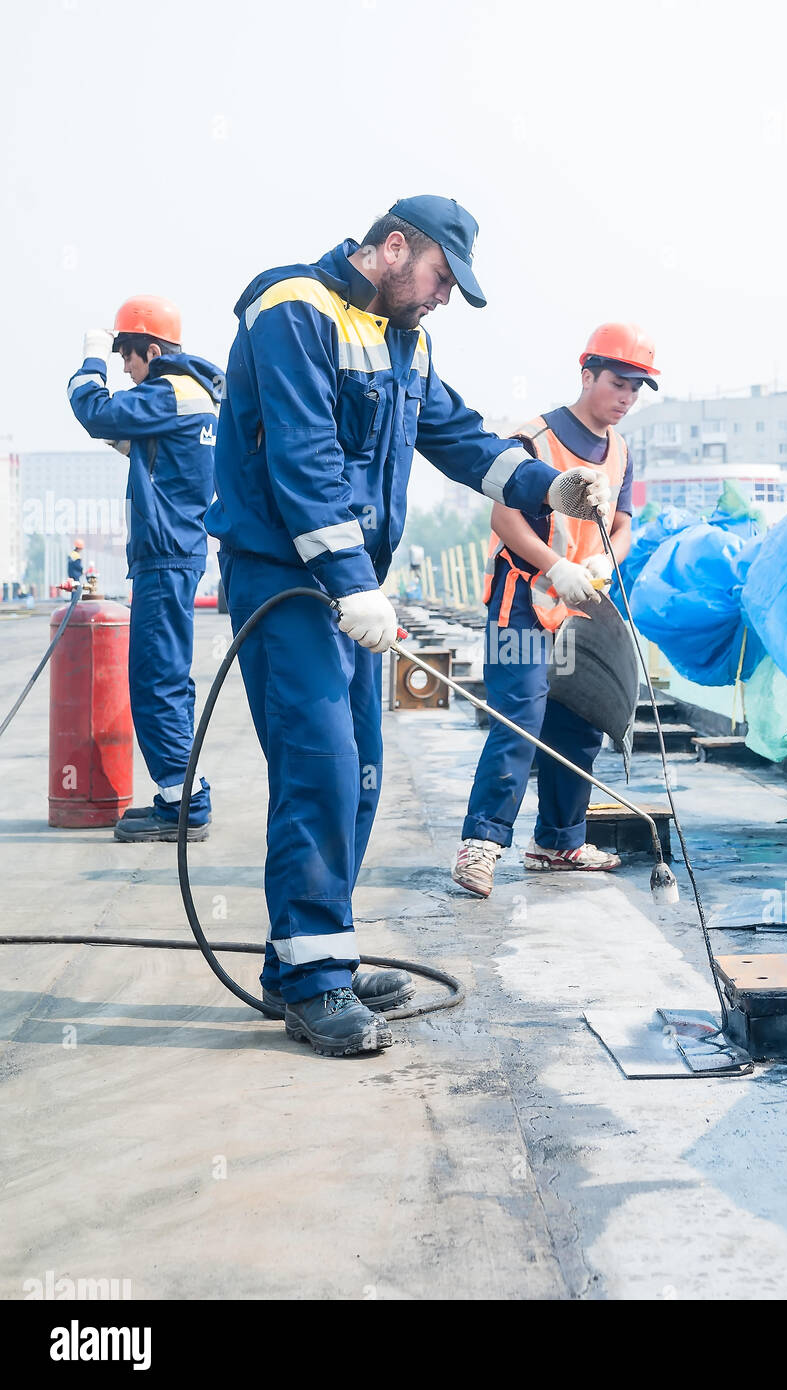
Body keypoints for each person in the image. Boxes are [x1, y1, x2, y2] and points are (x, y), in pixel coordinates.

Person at [207, 195, 611, 1058]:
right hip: (288, 580)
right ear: (394, 248)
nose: (442, 299)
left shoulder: (406, 340)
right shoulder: (294, 312)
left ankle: (312, 957)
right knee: (318, 765)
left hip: (352, 590)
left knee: (359, 770)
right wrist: (353, 582)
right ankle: (314, 988)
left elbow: (460, 436)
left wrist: (551, 488)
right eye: (438, 278)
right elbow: (304, 459)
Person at [452, 323, 658, 899]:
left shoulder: (619, 452)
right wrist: (555, 568)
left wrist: (602, 566)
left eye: (636, 390)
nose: (626, 398)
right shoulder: (534, 439)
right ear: (586, 375)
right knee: (520, 718)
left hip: (582, 604)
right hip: (524, 600)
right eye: (618, 383)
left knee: (580, 722)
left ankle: (557, 841)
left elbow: (622, 523)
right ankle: (482, 844)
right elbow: (504, 518)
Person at [67, 296, 222, 842]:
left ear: (152, 351)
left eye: (127, 359)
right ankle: (183, 793)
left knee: (154, 681)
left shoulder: (166, 391)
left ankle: (183, 807)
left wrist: (89, 365)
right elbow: (163, 455)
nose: (126, 372)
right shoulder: (199, 394)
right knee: (170, 678)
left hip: (163, 557)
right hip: (180, 554)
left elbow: (93, 411)